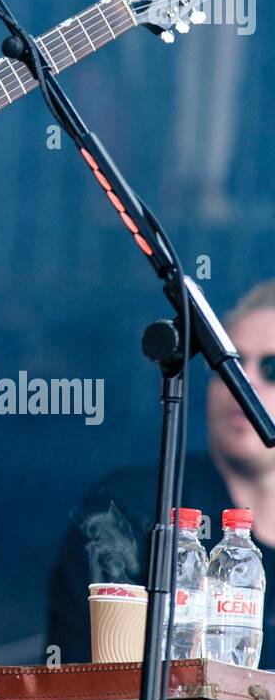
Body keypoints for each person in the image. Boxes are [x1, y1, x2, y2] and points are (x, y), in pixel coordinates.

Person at [46, 280, 275, 668]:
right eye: (230, 365)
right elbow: (80, 689)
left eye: (270, 367)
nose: (246, 381)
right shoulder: (128, 507)